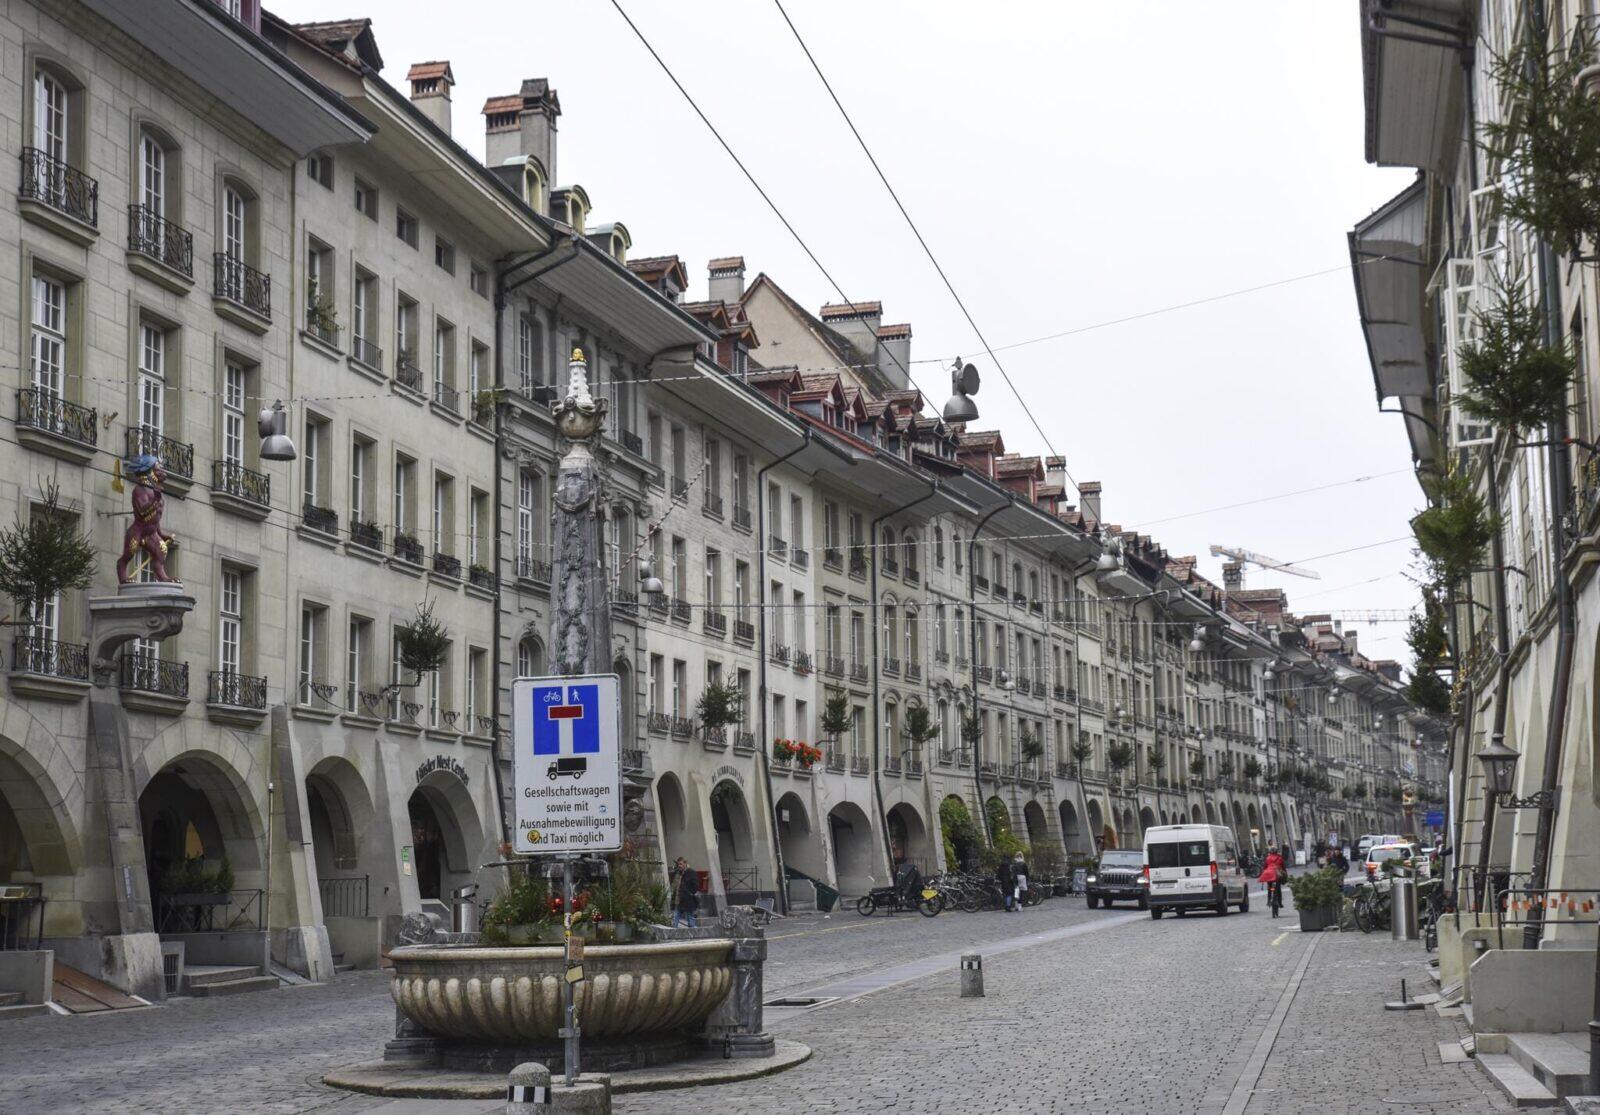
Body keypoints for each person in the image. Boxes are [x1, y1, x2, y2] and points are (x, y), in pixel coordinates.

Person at [671, 857, 700, 928]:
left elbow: (695, 885)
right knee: (675, 918)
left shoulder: (690, 872)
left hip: (688, 900)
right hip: (678, 900)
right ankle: (673, 932)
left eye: (680, 864)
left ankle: (694, 933)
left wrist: (690, 893)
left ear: (685, 863)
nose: (679, 866)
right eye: (678, 864)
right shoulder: (678, 874)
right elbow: (675, 886)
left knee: (690, 920)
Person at [1260, 846, 1286, 917]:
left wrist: (1263, 873)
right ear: (1276, 852)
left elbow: (1264, 867)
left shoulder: (1267, 858)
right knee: (1278, 889)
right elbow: (1284, 868)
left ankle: (1268, 900)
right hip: (1277, 875)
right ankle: (1280, 903)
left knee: (1270, 887)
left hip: (1269, 874)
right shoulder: (1280, 858)